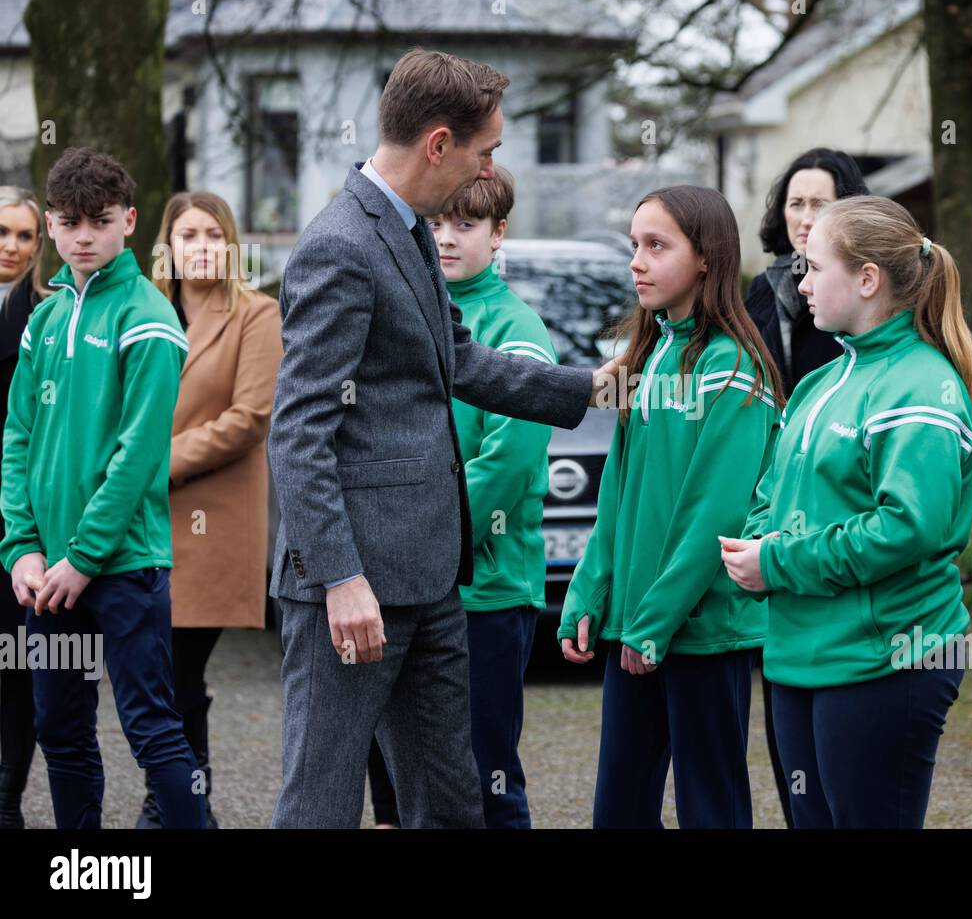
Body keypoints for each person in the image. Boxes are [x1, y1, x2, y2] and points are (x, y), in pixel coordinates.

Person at [268, 48, 615, 828]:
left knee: (451, 803)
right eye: (484, 150)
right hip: (352, 592)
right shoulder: (338, 246)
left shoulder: (409, 231)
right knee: (320, 803)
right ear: (436, 144)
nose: (488, 167)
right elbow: (298, 431)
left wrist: (590, 385)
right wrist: (340, 577)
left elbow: (457, 358)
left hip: (430, 579)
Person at [723, 195, 972, 828]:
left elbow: (906, 527)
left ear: (868, 278)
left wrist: (778, 562)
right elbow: (773, 491)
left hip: (883, 660)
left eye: (813, 267)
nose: (802, 283)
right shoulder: (820, 382)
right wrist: (760, 541)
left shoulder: (921, 385)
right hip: (798, 655)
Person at [557, 185, 783, 829]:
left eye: (657, 246)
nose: (637, 262)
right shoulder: (651, 355)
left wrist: (655, 621)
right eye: (634, 246)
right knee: (619, 809)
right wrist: (588, 595)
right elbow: (618, 497)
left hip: (702, 632)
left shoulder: (735, 367)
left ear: (706, 258)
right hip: (635, 627)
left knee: (710, 809)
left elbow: (714, 512)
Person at [0, 147, 203, 829]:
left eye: (99, 220)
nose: (83, 235)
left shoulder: (149, 317)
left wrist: (83, 558)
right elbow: (17, 438)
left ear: (130, 222)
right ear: (53, 226)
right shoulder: (45, 317)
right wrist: (22, 548)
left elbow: (139, 456)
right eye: (68, 221)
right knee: (59, 729)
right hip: (43, 573)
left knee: (151, 730)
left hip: (122, 567)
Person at [367, 166, 554, 828]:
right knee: (406, 780)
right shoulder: (411, 307)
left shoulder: (518, 332)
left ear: (499, 232)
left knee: (486, 776)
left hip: (486, 591)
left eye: (465, 224)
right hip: (410, 581)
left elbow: (504, 467)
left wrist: (411, 536)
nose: (445, 237)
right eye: (436, 221)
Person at [131, 191, 282, 829]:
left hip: (210, 523)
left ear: (231, 246)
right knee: (153, 672)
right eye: (188, 235)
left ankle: (174, 805)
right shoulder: (141, 312)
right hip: (137, 520)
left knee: (177, 669)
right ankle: (185, 804)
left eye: (213, 235)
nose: (201, 247)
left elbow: (248, 420)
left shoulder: (257, 314)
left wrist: (144, 465)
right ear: (168, 247)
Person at [742, 146, 868, 825]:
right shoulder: (762, 291)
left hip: (832, 516)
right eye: (795, 201)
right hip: (775, 512)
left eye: (821, 201)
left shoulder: (859, 305)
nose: (804, 215)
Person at [0, 186, 47, 829]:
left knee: (15, 660)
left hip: (20, 514)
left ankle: (7, 796)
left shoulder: (49, 311)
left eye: (23, 236)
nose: (10, 247)